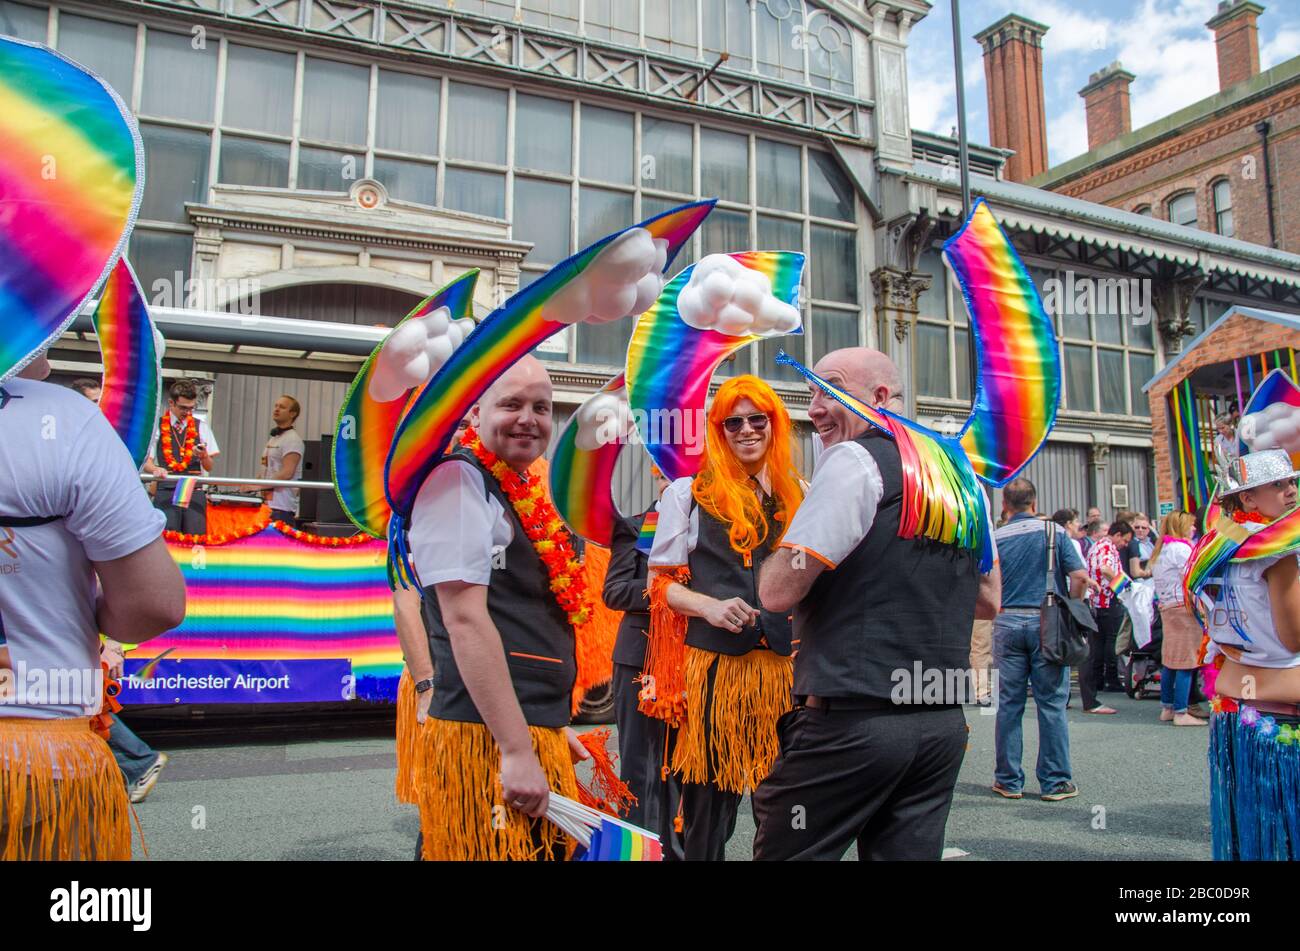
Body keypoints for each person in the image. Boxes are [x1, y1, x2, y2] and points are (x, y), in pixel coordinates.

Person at [752, 347, 1002, 861]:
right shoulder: (960, 474)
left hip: (853, 720)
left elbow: (777, 592)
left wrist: (778, 546)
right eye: (812, 391)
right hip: (939, 727)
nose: (814, 407)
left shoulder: (855, 458)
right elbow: (988, 600)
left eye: (829, 389)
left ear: (879, 397)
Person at [0, 352, 186, 859]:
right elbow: (154, 605)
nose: (50, 348)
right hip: (33, 750)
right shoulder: (63, 418)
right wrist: (82, 613)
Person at [407, 355, 590, 861]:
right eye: (511, 404)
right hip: (483, 741)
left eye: (542, 407)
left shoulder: (515, 484)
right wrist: (516, 749)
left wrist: (547, 727)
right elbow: (464, 620)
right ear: (473, 413)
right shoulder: (457, 481)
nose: (528, 418)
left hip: (522, 726)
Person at [642, 375, 803, 861]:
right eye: (734, 422)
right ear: (719, 430)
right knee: (709, 807)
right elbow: (660, 585)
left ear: (775, 425)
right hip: (715, 674)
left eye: (759, 419)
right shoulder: (686, 494)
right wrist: (708, 606)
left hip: (785, 673)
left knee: (785, 806)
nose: (747, 430)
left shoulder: (802, 492)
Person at [1193, 449, 1300, 860]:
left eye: (1292, 482)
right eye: (1278, 484)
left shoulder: (1216, 549)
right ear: (1248, 501)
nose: (1290, 490)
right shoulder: (1275, 551)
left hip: (1238, 711)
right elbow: (1294, 638)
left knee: (1254, 839)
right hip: (1278, 720)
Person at [602, 463, 683, 860]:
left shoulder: (708, 529)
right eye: (671, 474)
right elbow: (614, 591)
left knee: (684, 771)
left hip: (693, 661)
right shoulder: (634, 526)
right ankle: (636, 853)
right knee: (640, 766)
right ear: (658, 476)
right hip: (640, 662)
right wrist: (671, 591)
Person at [991, 482, 1090, 801]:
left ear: (1005, 504)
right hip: (1046, 620)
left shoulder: (996, 537)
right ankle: (1055, 781)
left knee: (1009, 703)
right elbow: (1080, 577)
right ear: (1035, 502)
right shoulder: (1055, 533)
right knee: (1051, 702)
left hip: (1006, 619)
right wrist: (1073, 605)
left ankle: (1008, 780)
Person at [144, 379, 219, 535]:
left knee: (195, 538)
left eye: (191, 408)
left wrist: (204, 455)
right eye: (183, 408)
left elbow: (209, 466)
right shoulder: (156, 426)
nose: (187, 413)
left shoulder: (201, 426)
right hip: (167, 487)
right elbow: (147, 462)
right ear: (171, 403)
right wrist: (156, 469)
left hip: (194, 488)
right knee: (168, 537)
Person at [1149, 511, 1203, 727]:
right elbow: (1192, 578)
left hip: (1167, 607)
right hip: (1183, 608)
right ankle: (1182, 711)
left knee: (1170, 661)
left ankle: (1168, 707)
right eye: (1191, 525)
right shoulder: (1181, 549)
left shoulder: (1161, 550)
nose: (1193, 529)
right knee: (1187, 661)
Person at [1082, 520, 1134, 714]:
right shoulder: (1107, 547)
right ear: (1118, 535)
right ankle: (1109, 679)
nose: (1125, 545)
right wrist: (1124, 587)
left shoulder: (1099, 545)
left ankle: (1100, 681)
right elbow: (1105, 570)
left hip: (1099, 602)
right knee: (1109, 642)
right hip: (1105, 601)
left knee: (1099, 644)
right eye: (1125, 540)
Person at [260, 395, 305, 525]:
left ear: (293, 414)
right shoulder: (274, 438)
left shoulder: (293, 439)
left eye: (282, 407)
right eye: (276, 406)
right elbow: (265, 468)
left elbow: (287, 472)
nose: (277, 409)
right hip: (267, 504)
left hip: (281, 507)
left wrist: (258, 485)